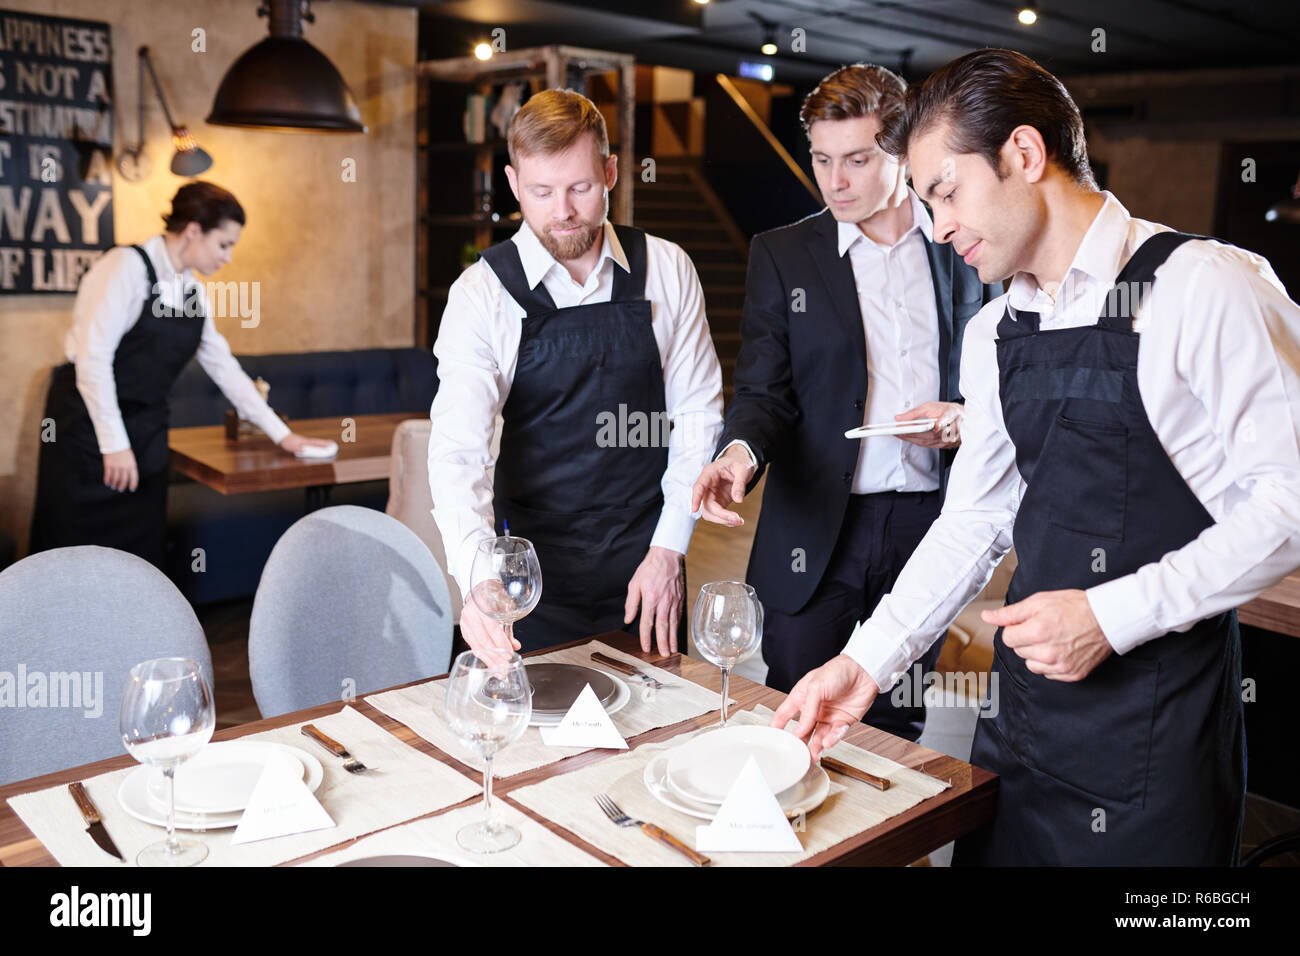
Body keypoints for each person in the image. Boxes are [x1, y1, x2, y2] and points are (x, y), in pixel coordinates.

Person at [772, 48, 1300, 866]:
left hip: (1157, 739)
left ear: (1023, 154)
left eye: (945, 192)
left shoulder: (1207, 286)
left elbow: (1288, 504)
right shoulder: (993, 335)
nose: (938, 226)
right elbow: (976, 519)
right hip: (1019, 723)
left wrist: (1109, 618)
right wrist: (864, 663)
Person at [690, 64, 1000, 741]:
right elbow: (764, 390)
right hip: (814, 530)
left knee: (897, 719)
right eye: (823, 159)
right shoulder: (783, 254)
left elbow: (1002, 376)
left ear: (901, 152)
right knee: (799, 711)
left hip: (931, 525)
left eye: (857, 160)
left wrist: (963, 418)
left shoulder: (965, 244)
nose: (835, 181)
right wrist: (737, 454)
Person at [428, 89, 723, 659]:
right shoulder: (481, 294)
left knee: (660, 735)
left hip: (646, 568)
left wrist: (669, 550)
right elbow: (459, 453)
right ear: (514, 185)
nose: (562, 211)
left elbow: (695, 418)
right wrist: (478, 577)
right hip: (525, 580)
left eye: (580, 188)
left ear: (610, 172)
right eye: (541, 192)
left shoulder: (667, 268)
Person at [30, 182, 332, 569]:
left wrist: (283, 435)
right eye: (224, 244)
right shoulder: (124, 267)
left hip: (147, 434)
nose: (228, 257)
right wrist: (113, 445)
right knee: (77, 555)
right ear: (193, 230)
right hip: (88, 434)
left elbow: (224, 368)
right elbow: (93, 360)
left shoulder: (191, 290)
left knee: (138, 558)